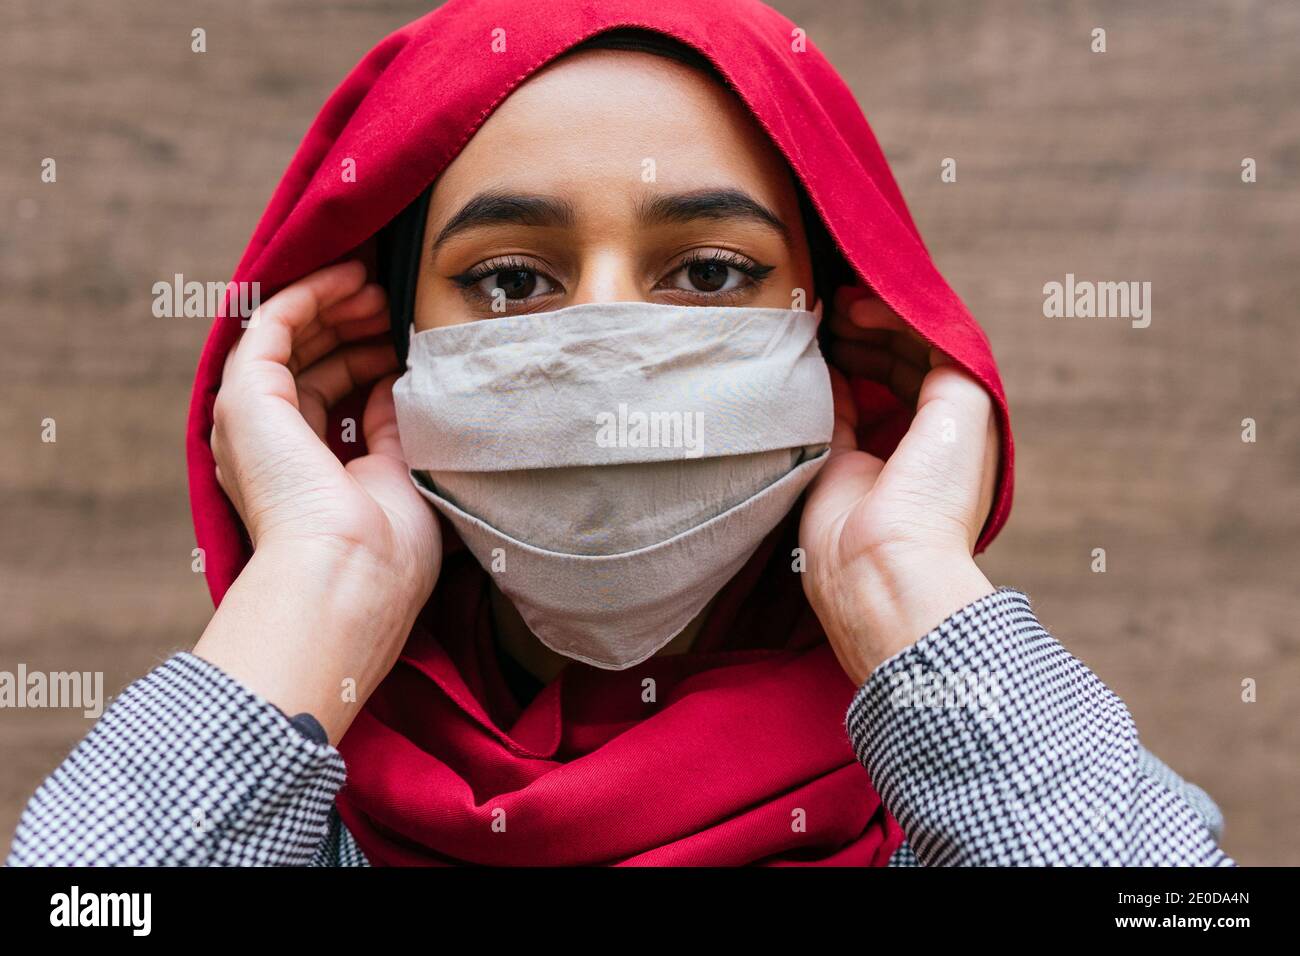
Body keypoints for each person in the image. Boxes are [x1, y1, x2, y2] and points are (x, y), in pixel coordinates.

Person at [7, 2, 1231, 867]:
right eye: (507, 282)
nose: (602, 350)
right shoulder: (281, 822)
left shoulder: (974, 813)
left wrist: (899, 579)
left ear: (841, 345)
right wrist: (317, 589)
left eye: (706, 269)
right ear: (390, 355)